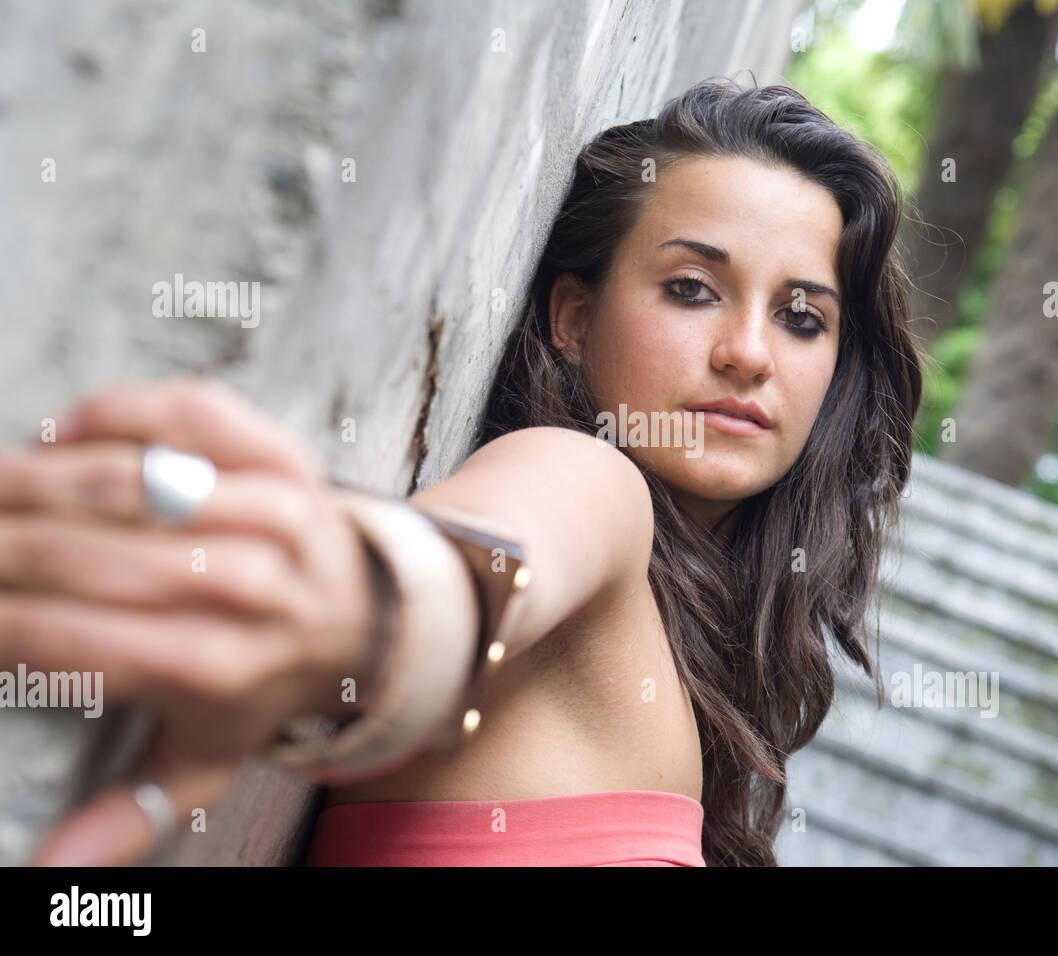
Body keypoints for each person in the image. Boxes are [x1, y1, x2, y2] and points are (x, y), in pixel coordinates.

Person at [5, 77, 922, 868]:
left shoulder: (688, 676)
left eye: (803, 316)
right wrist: (354, 603)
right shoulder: (588, 483)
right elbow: (475, 568)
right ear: (571, 317)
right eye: (691, 288)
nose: (750, 353)